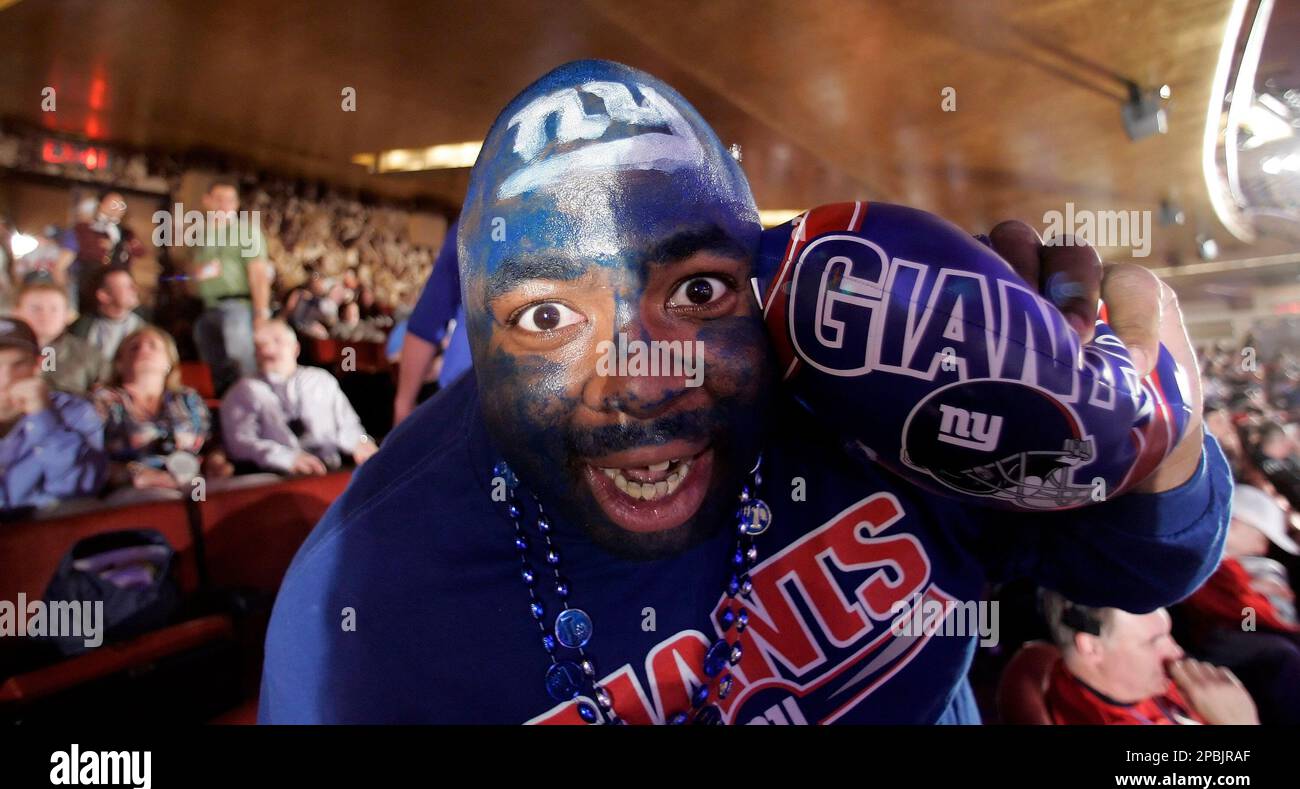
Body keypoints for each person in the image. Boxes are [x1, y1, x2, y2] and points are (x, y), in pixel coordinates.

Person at [260, 61, 1230, 725]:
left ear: (759, 279)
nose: (642, 379)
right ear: (476, 333)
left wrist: (1150, 444)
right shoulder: (362, 593)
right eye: (549, 316)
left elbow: (1144, 572)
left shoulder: (871, 381)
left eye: (695, 290)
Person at [1179, 484, 1300, 723]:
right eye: (1260, 536)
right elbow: (1244, 617)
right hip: (1213, 638)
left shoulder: (1258, 569)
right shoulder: (1215, 561)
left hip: (1231, 634)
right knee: (1284, 655)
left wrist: (1254, 597)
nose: (1262, 546)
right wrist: (1255, 599)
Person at [1041, 591, 1257, 725]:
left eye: (1168, 635)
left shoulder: (1139, 682)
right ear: (1091, 647)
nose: (1176, 652)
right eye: (1153, 641)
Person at [221, 319, 377, 475]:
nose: (268, 349)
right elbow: (240, 443)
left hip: (332, 468)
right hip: (276, 477)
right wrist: (286, 459)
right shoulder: (242, 391)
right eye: (261, 345)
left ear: (296, 348)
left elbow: (350, 426)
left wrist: (361, 442)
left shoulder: (320, 380)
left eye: (277, 341)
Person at [92, 326, 230, 492]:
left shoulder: (187, 399)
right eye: (134, 347)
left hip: (193, 485)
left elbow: (212, 443)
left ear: (169, 363)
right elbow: (83, 461)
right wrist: (132, 475)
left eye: (153, 346)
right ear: (120, 364)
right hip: (132, 493)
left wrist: (216, 461)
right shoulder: (103, 401)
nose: (143, 350)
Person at [0, 316, 106, 509]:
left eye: (18, 364)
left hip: (43, 533)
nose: (5, 378)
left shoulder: (75, 412)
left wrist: (42, 418)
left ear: (39, 365)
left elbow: (80, 487)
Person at [189, 177, 272, 396]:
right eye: (219, 199)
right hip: (208, 308)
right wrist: (195, 275)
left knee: (242, 363)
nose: (224, 205)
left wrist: (261, 313)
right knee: (213, 367)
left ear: (236, 205)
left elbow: (259, 274)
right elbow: (193, 276)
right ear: (207, 201)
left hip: (238, 307)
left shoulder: (246, 232)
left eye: (230, 200)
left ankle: (255, 405)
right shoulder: (201, 234)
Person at [392, 218, 469, 425]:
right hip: (463, 401)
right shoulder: (472, 224)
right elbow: (427, 322)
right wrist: (404, 403)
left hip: (463, 400)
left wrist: (404, 403)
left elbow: (427, 323)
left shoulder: (477, 219)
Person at [13, 280, 103, 394]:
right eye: (36, 308)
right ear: (16, 312)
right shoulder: (4, 352)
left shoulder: (88, 355)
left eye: (54, 309)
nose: (45, 315)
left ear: (66, 315)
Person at [71, 190, 146, 314]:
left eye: (121, 205)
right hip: (91, 280)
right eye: (113, 204)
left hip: (118, 283)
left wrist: (120, 246)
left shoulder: (126, 232)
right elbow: (86, 251)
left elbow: (140, 251)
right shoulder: (86, 228)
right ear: (101, 205)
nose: (117, 208)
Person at [68, 267, 146, 366]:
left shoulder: (142, 330)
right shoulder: (79, 329)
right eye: (127, 286)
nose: (134, 289)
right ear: (103, 295)